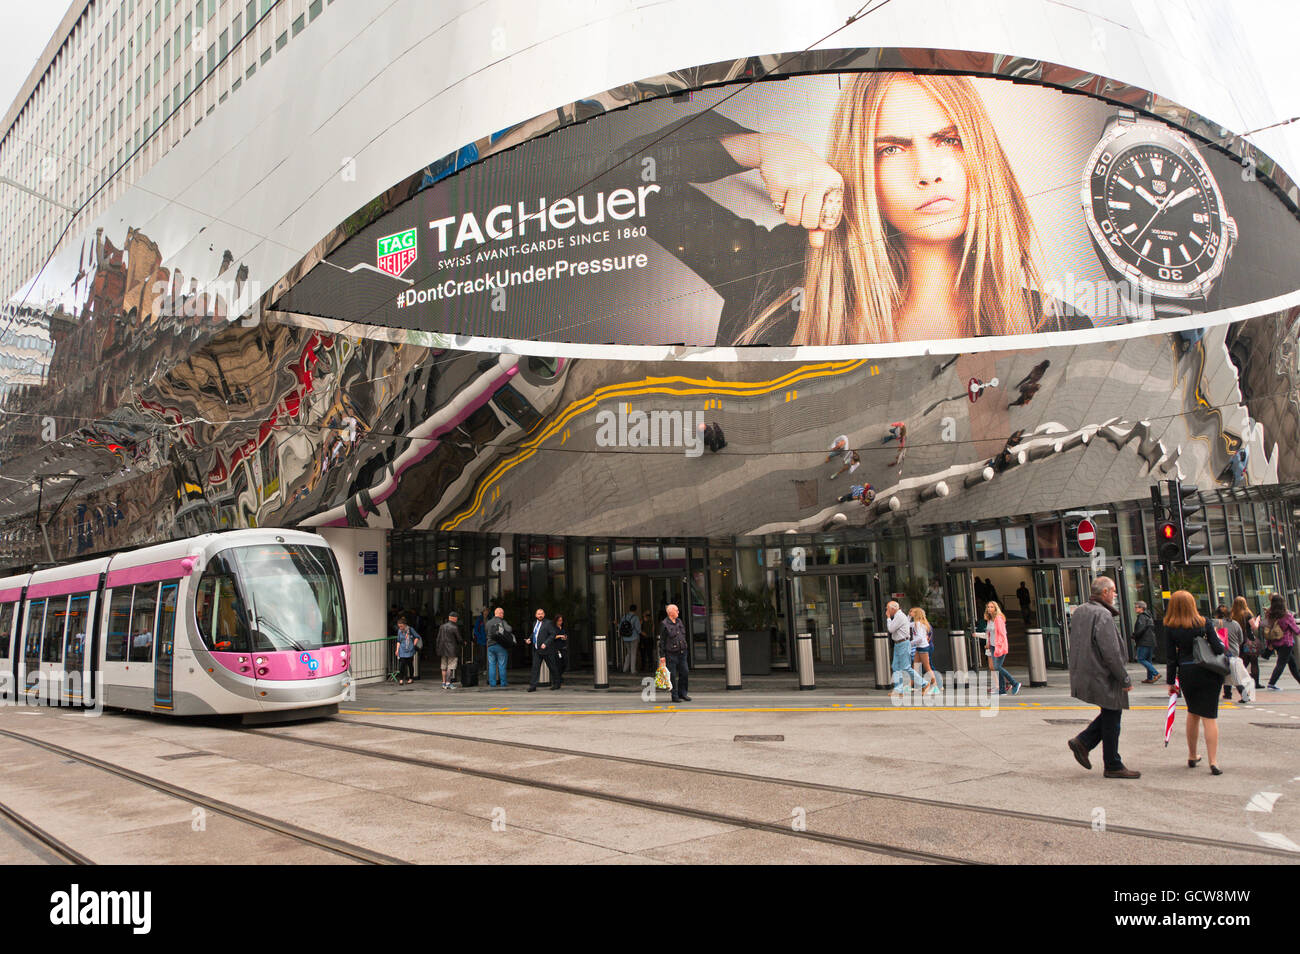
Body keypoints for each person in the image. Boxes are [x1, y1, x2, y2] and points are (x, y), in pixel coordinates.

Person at [677, 73, 1088, 346]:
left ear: (982, 153)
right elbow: (618, 176)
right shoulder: (776, 278)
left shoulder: (1056, 326)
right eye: (891, 149)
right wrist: (761, 147)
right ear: (859, 169)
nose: (927, 172)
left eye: (948, 140)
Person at [1066, 576, 1139, 779]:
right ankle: (1111, 762)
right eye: (1113, 591)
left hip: (1086, 671)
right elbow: (1111, 652)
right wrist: (1124, 678)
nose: (1115, 595)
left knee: (1110, 713)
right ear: (1105, 592)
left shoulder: (1080, 611)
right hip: (1103, 673)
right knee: (1113, 714)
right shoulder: (1102, 614)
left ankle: (1084, 743)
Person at [1164, 590, 1227, 774]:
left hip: (1187, 672)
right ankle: (1213, 761)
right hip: (1208, 672)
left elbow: (1170, 657)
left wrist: (1171, 682)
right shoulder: (1204, 623)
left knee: (1193, 713)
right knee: (1209, 717)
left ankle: (1192, 755)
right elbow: (1217, 648)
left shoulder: (1170, 627)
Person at [1261, 594, 1300, 690]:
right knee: (1281, 664)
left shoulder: (1270, 614)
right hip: (1286, 643)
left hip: (1275, 643)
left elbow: (1266, 627)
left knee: (1292, 663)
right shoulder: (1287, 615)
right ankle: (1271, 683)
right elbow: (1295, 630)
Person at [886, 600, 925, 693]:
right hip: (898, 643)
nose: (887, 611)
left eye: (888, 609)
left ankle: (923, 683)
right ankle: (898, 689)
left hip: (903, 643)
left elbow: (891, 629)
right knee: (895, 666)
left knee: (905, 667)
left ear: (893, 608)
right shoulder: (898, 616)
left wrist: (888, 618)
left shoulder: (899, 616)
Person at [984, 602, 1020, 695]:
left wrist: (998, 644)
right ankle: (1002, 690)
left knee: (997, 667)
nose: (989, 608)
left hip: (999, 646)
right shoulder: (989, 619)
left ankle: (1014, 683)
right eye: (988, 607)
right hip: (992, 646)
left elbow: (1003, 634)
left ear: (996, 608)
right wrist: (988, 643)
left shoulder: (998, 619)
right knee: (997, 668)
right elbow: (989, 632)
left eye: (992, 607)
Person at [657, 603, 691, 702]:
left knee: (685, 672)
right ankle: (675, 695)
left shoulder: (679, 621)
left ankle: (683, 693)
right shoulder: (664, 624)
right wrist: (662, 655)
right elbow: (662, 641)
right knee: (672, 674)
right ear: (671, 612)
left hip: (682, 652)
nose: (678, 612)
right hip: (671, 653)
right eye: (676, 610)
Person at [1213, 604, 1243, 701]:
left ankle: (1243, 695)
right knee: (1232, 673)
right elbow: (1241, 639)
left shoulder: (1215, 623)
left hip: (1222, 652)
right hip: (1234, 651)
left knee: (1227, 674)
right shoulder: (1235, 623)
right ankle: (1227, 693)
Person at [909, 606, 941, 694]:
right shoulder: (918, 623)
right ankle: (908, 686)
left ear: (916, 614)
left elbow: (919, 638)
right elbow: (906, 625)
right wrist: (909, 617)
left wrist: (910, 643)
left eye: (912, 612)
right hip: (920, 647)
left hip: (922, 647)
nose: (910, 612)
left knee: (927, 667)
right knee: (915, 667)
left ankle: (935, 687)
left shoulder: (918, 624)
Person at [526, 608, 559, 692]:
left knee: (552, 667)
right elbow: (534, 633)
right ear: (536, 615)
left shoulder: (548, 623)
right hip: (537, 650)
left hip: (547, 650)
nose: (540, 615)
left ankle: (556, 683)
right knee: (535, 668)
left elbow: (553, 634)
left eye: (541, 614)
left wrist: (546, 643)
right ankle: (533, 686)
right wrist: (529, 639)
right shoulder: (534, 623)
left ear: (544, 614)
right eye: (538, 614)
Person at [1231, 596, 1260, 690]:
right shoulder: (1247, 614)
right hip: (1249, 640)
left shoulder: (1233, 615)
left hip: (1239, 640)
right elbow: (1254, 627)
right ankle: (1255, 682)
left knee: (1243, 660)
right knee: (1254, 661)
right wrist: (1258, 620)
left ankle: (1239, 679)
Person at [1132, 601, 1159, 684]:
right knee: (1148, 660)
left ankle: (1156, 673)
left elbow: (1140, 630)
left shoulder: (1141, 617)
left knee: (1141, 659)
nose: (1135, 609)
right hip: (1151, 641)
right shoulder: (1148, 616)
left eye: (1136, 607)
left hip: (1144, 641)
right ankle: (1150, 678)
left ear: (1141, 608)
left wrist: (1134, 636)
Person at [485, 607, 513, 688]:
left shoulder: (488, 622)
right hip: (500, 645)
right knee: (502, 665)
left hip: (490, 646)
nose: (503, 615)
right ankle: (503, 683)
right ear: (500, 613)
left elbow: (486, 632)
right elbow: (509, 629)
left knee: (491, 665)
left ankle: (492, 683)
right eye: (503, 613)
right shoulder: (502, 621)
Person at [436, 612, 461, 690]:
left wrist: (438, 648)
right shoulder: (454, 627)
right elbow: (459, 638)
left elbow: (438, 638)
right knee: (450, 666)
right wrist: (463, 643)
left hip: (442, 649)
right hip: (451, 650)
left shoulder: (442, 627)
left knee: (443, 666)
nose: (457, 619)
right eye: (456, 617)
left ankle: (444, 683)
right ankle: (448, 683)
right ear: (453, 618)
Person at [394, 616, 420, 686]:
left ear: (405, 625)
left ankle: (411, 678)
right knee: (402, 664)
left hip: (410, 649)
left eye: (401, 626)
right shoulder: (399, 631)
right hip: (402, 649)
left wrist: (414, 644)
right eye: (399, 626)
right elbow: (398, 641)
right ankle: (401, 679)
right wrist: (397, 650)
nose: (400, 628)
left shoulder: (411, 629)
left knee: (409, 664)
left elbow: (417, 637)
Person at [619, 603, 641, 673]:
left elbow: (620, 626)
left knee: (628, 653)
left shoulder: (624, 617)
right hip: (633, 637)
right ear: (635, 610)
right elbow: (638, 629)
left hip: (625, 638)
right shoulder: (635, 617)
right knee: (633, 653)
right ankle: (633, 670)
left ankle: (625, 669)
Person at [552, 614, 569, 689]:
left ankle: (559, 676)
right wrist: (560, 636)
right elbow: (552, 636)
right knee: (558, 665)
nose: (560, 622)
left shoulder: (562, 628)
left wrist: (564, 637)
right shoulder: (553, 628)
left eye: (561, 621)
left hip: (563, 647)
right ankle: (556, 681)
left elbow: (564, 635)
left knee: (565, 663)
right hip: (556, 648)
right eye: (559, 621)